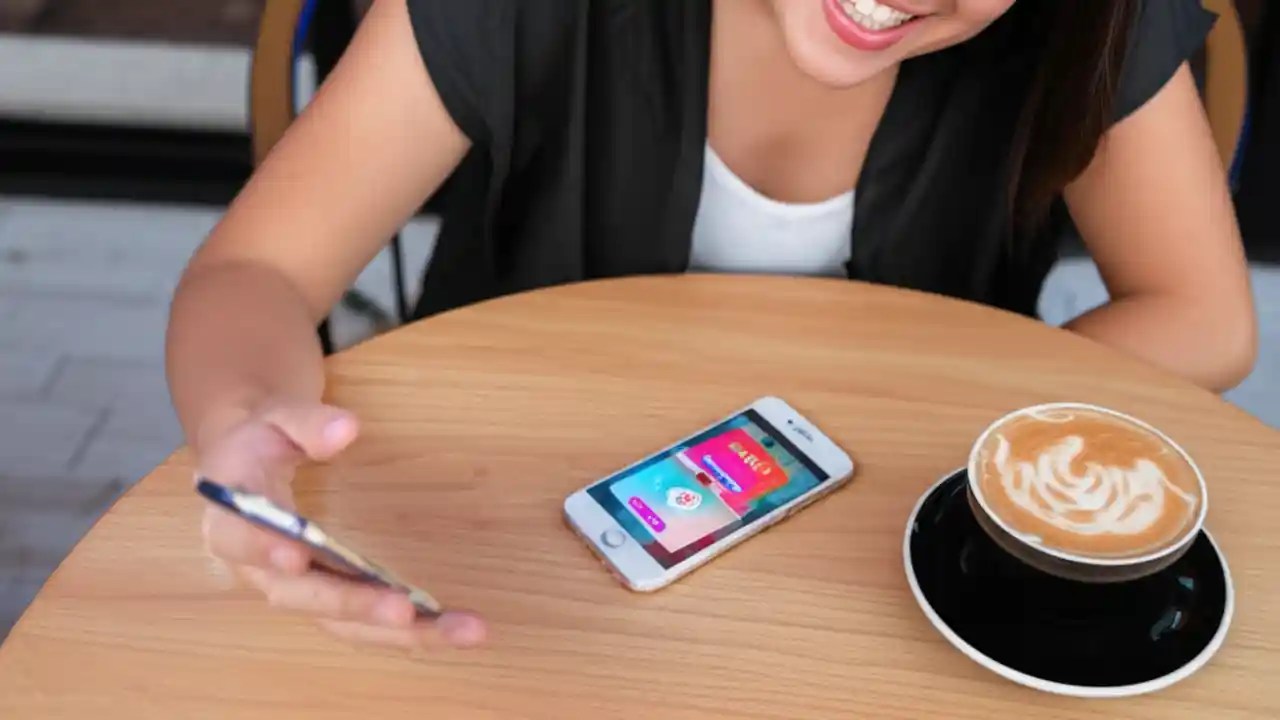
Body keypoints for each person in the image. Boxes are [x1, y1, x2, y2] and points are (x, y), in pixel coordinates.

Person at [167, 0, 1257, 651]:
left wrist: (849, 441)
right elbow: (258, 269)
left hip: (869, 578)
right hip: (503, 539)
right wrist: (247, 425)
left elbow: (1203, 319)